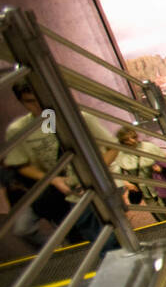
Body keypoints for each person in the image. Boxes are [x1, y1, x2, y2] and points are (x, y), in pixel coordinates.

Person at [3, 81, 115, 248]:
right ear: (21, 102)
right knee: (70, 234)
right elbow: (20, 164)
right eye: (30, 101)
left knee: (98, 230)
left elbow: (112, 148)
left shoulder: (79, 118)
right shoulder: (18, 129)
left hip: (84, 186)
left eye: (40, 99)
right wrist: (53, 180)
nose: (38, 105)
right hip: (52, 190)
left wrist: (93, 175)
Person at [111, 126, 166, 222]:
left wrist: (160, 168)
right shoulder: (120, 155)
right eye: (127, 140)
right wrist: (127, 183)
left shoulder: (149, 147)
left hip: (160, 183)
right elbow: (116, 173)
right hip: (143, 189)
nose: (132, 141)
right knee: (159, 215)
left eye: (134, 137)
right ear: (122, 141)